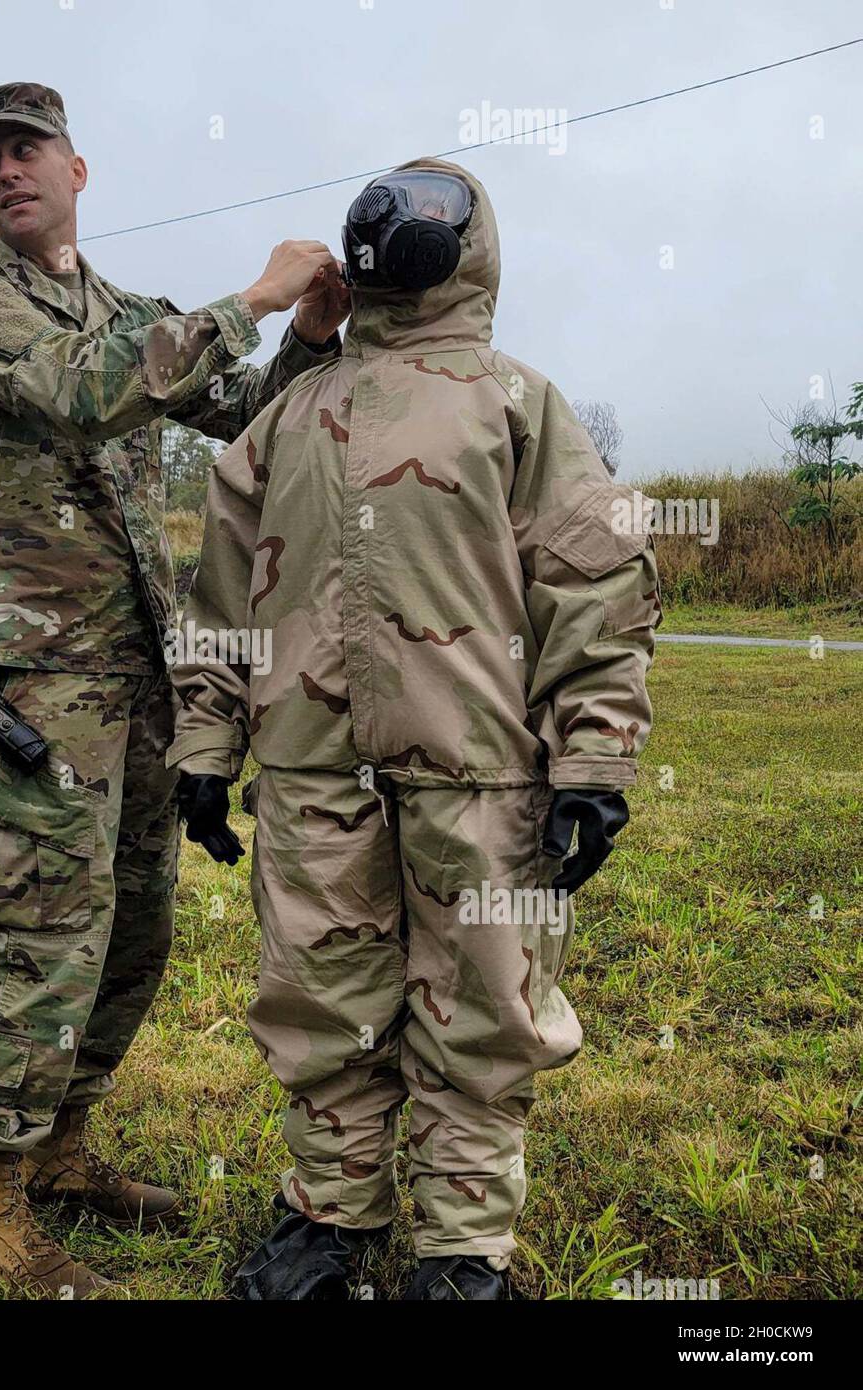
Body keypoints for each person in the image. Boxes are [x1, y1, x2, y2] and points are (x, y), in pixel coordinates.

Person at [168, 157, 661, 1300]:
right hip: (312, 776)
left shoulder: (518, 404)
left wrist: (592, 755)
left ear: (469, 243)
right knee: (320, 1001)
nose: (400, 227)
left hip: (480, 775)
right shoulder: (291, 416)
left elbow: (596, 585)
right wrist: (205, 749)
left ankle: (460, 1251)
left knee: (484, 1009)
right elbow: (219, 602)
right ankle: (327, 1222)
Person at [0, 81, 350, 1298]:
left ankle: (60, 1148)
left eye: (25, 150)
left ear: (77, 169)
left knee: (134, 926)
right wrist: (251, 297)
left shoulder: (132, 315)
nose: (5, 172)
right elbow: (80, 391)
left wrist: (305, 337)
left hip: (138, 668)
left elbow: (245, 419)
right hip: (40, 675)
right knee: (38, 925)